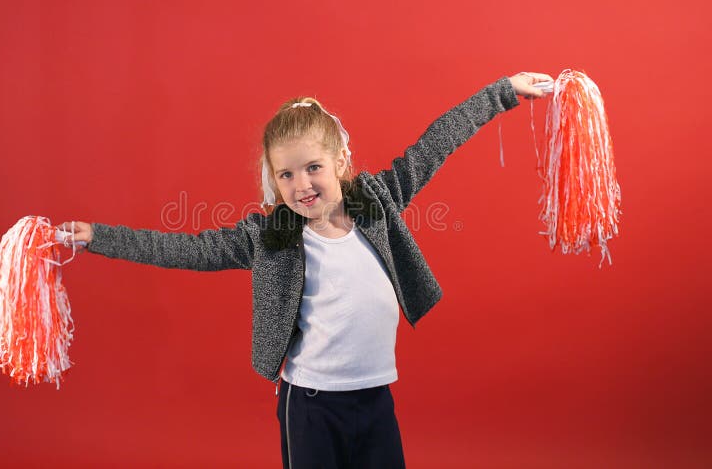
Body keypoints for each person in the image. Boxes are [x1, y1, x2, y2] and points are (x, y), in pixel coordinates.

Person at [59, 71, 553, 468]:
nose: (302, 185)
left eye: (313, 167)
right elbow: (186, 249)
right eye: (286, 174)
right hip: (310, 406)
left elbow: (434, 144)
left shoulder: (378, 201)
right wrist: (98, 237)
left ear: (340, 161)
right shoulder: (271, 239)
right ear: (273, 181)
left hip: (376, 398)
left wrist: (502, 93)